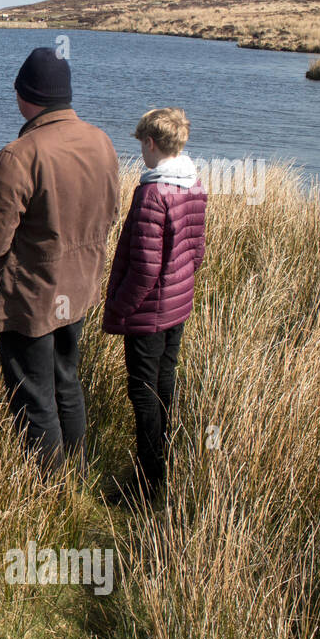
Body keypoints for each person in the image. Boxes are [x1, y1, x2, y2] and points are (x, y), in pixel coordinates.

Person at [0, 48, 118, 470]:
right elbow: (110, 211)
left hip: (30, 296)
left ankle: (48, 495)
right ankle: (77, 475)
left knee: (33, 398)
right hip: (79, 287)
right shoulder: (101, 141)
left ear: (24, 94)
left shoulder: (18, 155)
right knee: (67, 382)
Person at [102, 108, 208, 502]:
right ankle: (164, 468)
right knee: (164, 384)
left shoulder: (152, 192)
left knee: (143, 392)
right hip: (178, 303)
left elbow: (145, 267)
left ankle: (147, 485)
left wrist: (120, 307)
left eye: (140, 144)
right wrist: (182, 285)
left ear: (150, 142)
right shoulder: (194, 183)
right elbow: (195, 250)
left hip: (149, 311)